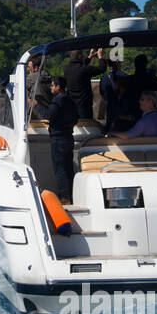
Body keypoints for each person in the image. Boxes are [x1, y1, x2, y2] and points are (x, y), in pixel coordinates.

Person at [47, 76, 78, 204]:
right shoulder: (70, 101)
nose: (51, 87)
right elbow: (76, 118)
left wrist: (36, 106)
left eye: (52, 85)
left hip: (58, 138)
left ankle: (65, 198)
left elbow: (49, 115)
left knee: (60, 169)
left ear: (58, 87)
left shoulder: (57, 101)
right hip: (68, 137)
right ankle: (71, 194)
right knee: (69, 168)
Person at [64, 48, 106, 120]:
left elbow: (79, 66)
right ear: (80, 56)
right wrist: (100, 57)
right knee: (86, 124)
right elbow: (102, 68)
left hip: (71, 104)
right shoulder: (84, 69)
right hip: (84, 105)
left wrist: (90, 56)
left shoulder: (66, 68)